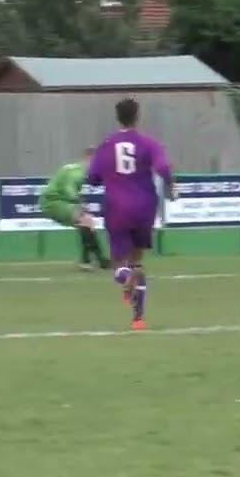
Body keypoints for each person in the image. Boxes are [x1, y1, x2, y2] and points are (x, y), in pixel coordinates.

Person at [87, 98, 174, 331]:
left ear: (118, 118)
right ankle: (138, 318)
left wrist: (108, 176)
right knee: (137, 261)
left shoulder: (106, 145)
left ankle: (125, 279)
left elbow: (92, 178)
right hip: (145, 207)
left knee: (120, 264)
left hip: (117, 207)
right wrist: (171, 186)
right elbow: (163, 168)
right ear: (138, 116)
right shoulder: (149, 143)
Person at [39, 147, 109, 271]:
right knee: (85, 218)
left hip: (56, 202)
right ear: (90, 159)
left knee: (87, 221)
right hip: (53, 202)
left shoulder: (74, 169)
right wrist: (78, 201)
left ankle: (92, 259)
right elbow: (68, 188)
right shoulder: (78, 172)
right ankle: (94, 259)